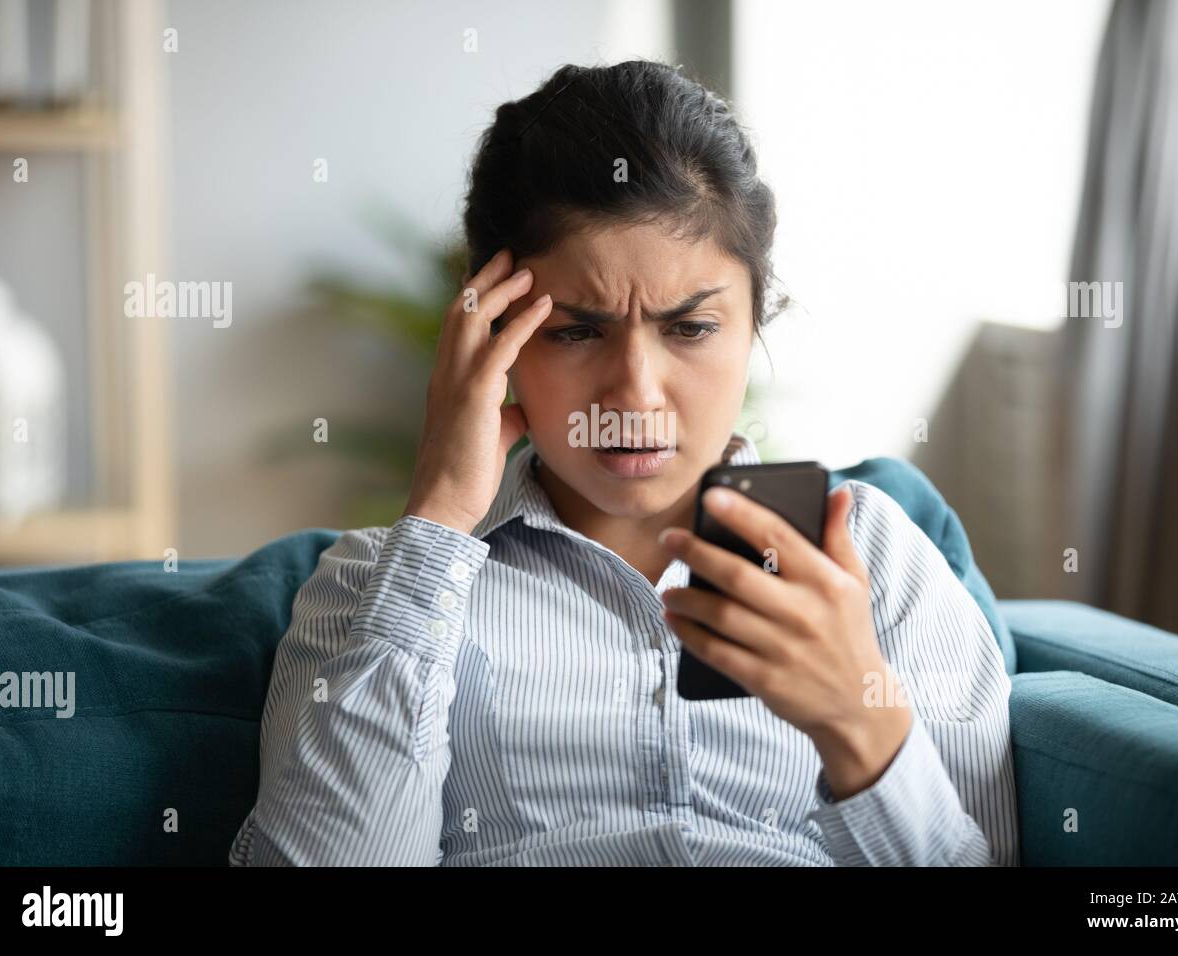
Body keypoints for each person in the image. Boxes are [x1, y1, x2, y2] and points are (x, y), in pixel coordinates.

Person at [229, 59, 1019, 866]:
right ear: (488, 333)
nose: (636, 396)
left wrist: (862, 726)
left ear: (755, 325)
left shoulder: (880, 566)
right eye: (575, 331)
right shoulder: (373, 591)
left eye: (691, 329)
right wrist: (436, 521)